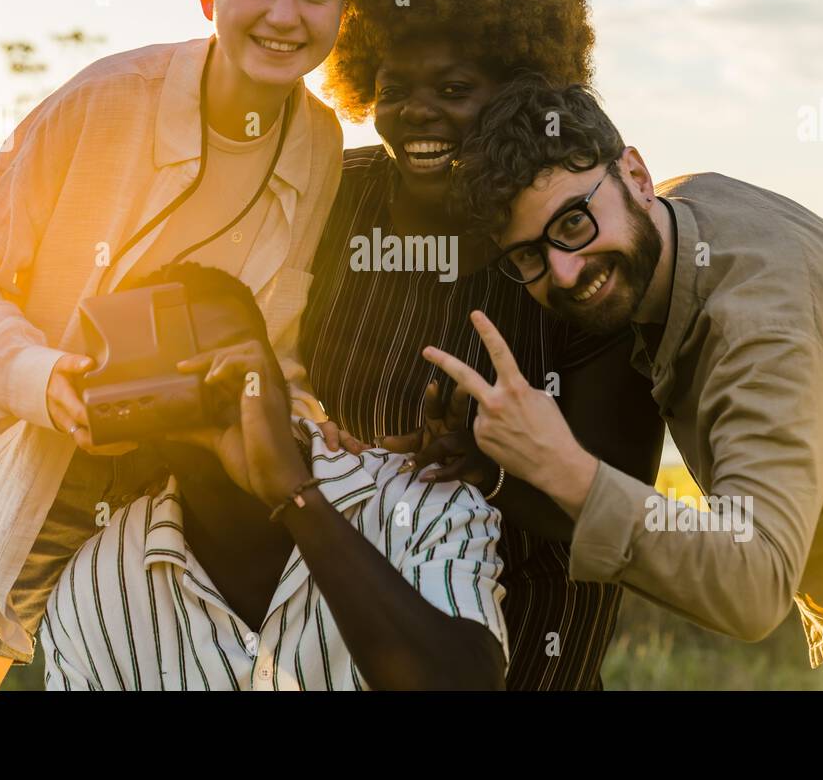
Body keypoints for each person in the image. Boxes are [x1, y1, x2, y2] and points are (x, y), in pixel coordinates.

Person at [0, 0, 352, 690]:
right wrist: (46, 379)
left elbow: (271, 338)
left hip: (169, 516)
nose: (284, 15)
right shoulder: (103, 101)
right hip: (15, 481)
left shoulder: (320, 142)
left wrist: (302, 414)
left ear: (343, 10)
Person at [425, 73, 823, 691]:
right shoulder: (686, 210)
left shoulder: (761, 327)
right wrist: (505, 467)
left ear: (637, 177)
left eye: (573, 224)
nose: (563, 272)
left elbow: (753, 586)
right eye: (530, 256)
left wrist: (560, 467)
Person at [299, 0, 664, 690]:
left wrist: (489, 467)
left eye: (456, 90)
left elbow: (622, 512)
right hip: (343, 638)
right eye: (394, 89)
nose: (418, 115)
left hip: (532, 644)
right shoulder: (332, 199)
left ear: (518, 89)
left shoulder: (578, 252)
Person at [39, 263, 508, 690]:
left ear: (276, 372)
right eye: (186, 367)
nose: (220, 384)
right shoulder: (96, 590)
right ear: (136, 408)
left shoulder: (422, 503)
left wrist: (294, 493)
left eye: (237, 362)